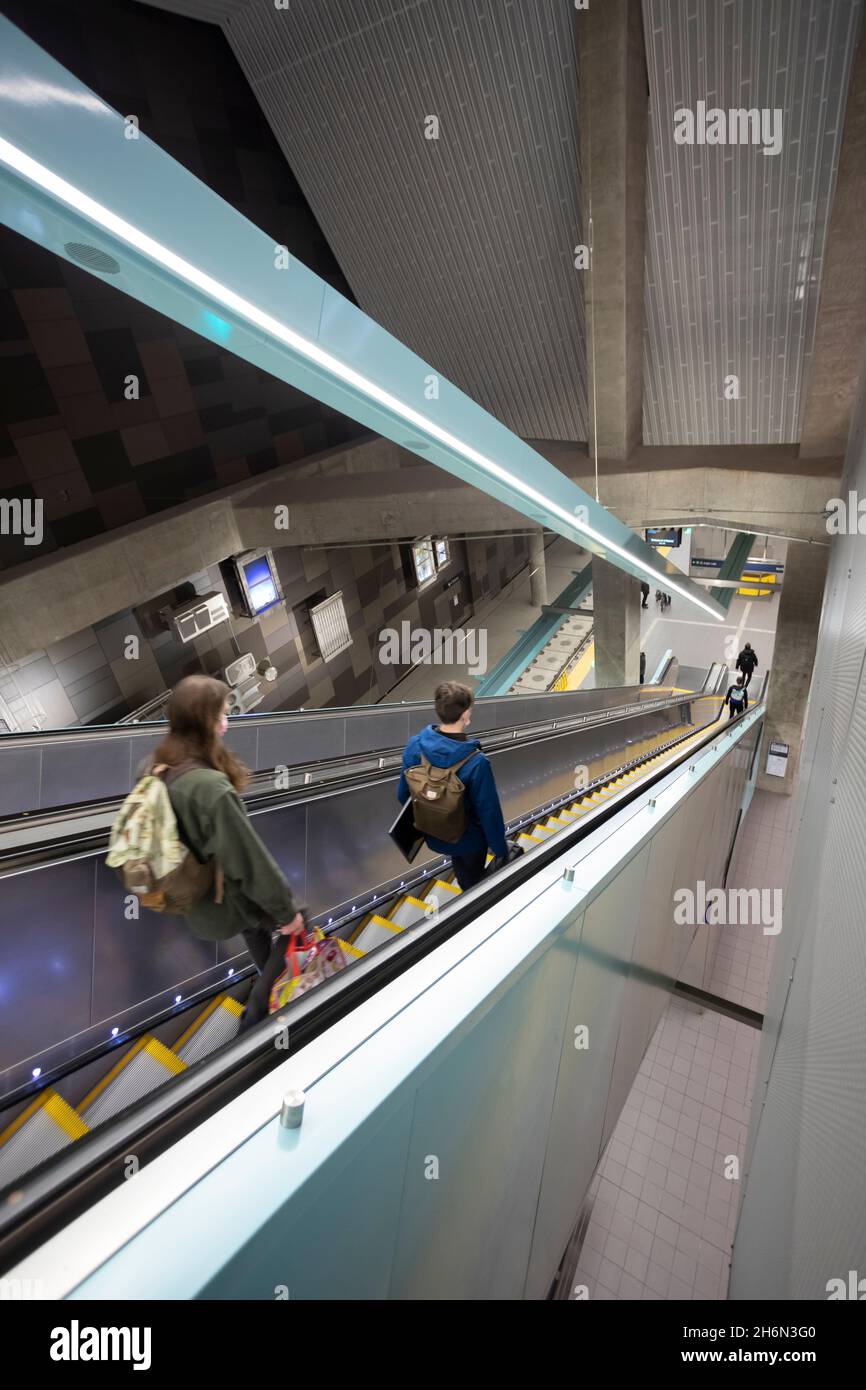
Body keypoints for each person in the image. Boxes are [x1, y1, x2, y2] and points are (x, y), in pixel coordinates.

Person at [145, 674, 304, 1019]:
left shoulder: (156, 768)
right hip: (225, 897)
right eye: (221, 716)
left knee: (256, 929)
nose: (226, 724)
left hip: (196, 902)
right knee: (296, 919)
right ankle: (259, 1015)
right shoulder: (209, 788)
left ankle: (273, 990)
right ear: (204, 722)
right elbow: (249, 863)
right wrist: (287, 912)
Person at [397, 680, 508, 892]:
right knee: (472, 880)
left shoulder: (415, 745)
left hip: (435, 836)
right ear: (466, 715)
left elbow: (403, 794)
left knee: (458, 859)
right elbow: (489, 812)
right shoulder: (476, 762)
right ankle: (472, 899)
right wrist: (501, 849)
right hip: (468, 841)